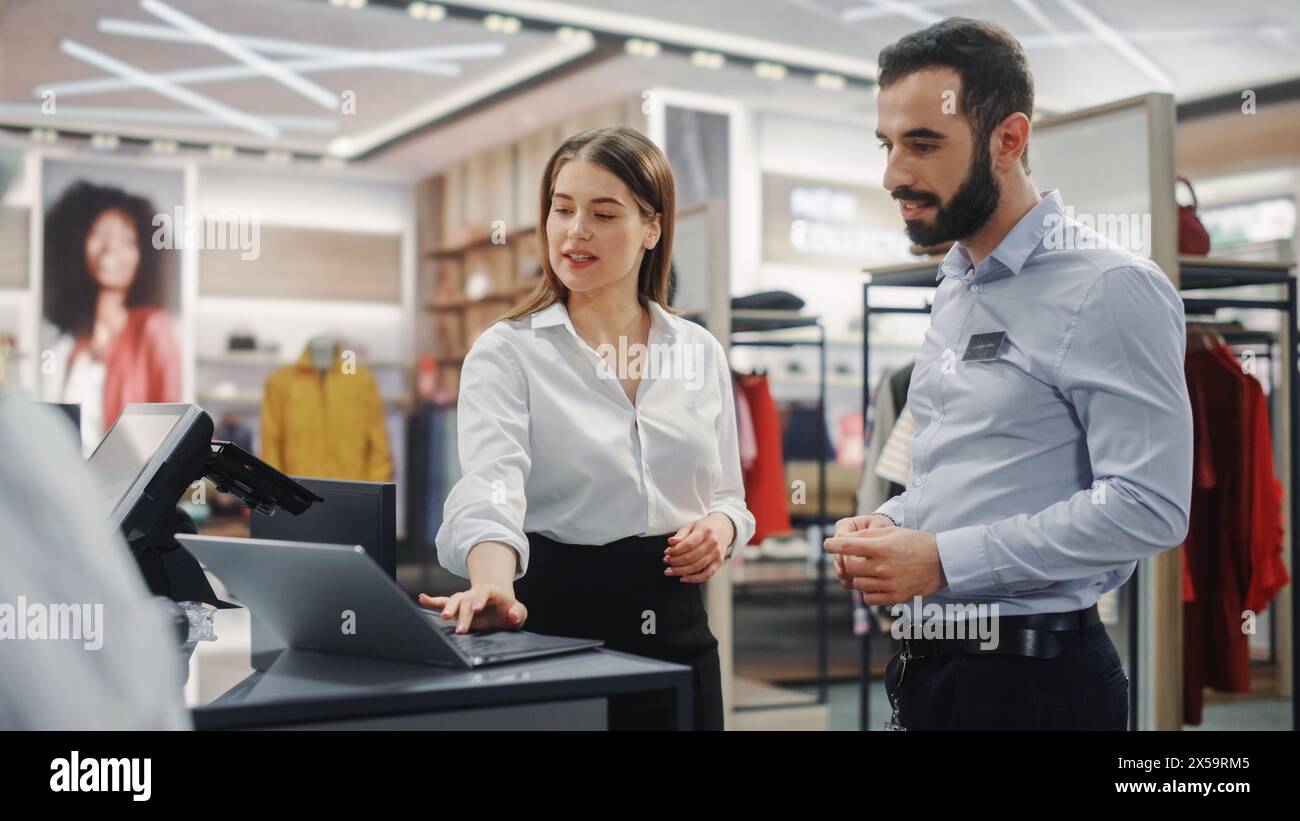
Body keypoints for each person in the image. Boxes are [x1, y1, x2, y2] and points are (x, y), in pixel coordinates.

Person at [826, 18, 1193, 730]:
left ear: (1009, 138)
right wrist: (892, 524)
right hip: (931, 669)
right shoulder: (957, 282)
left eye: (924, 144)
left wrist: (941, 558)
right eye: (889, 144)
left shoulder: (1110, 287)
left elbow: (1150, 505)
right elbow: (952, 469)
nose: (894, 174)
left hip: (1037, 686)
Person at [424, 126, 755, 730]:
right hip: (551, 627)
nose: (575, 231)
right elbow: (490, 488)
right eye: (562, 209)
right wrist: (493, 584)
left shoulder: (699, 351)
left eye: (603, 214)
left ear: (652, 229)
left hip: (676, 626)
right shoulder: (507, 352)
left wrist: (722, 526)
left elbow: (730, 493)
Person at [42, 181, 181, 453]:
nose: (110, 249)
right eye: (100, 234)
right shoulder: (68, 344)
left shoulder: (153, 328)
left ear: (143, 255)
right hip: (71, 484)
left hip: (124, 488)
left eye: (127, 240)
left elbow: (173, 428)